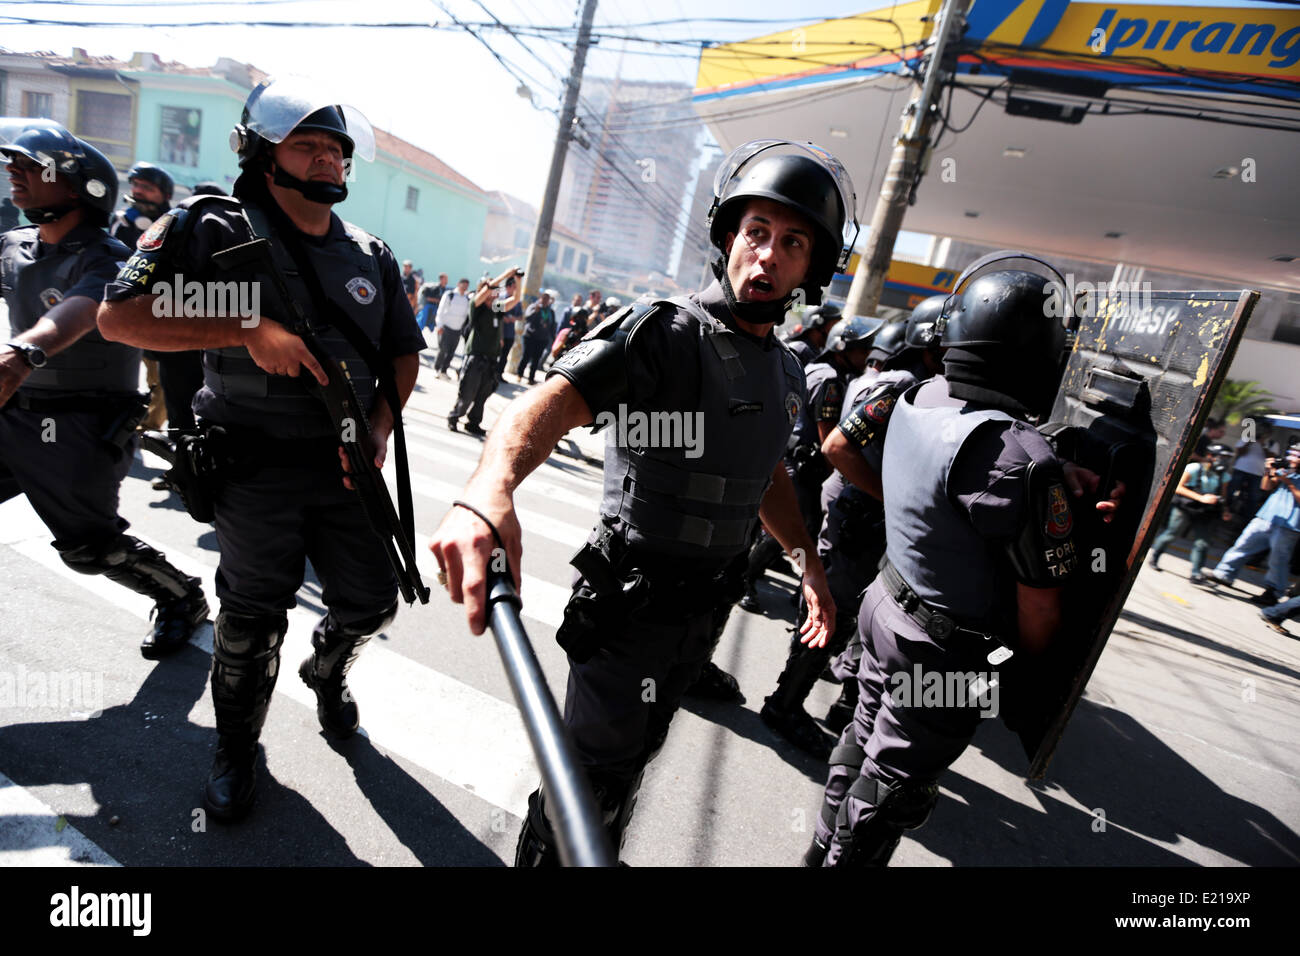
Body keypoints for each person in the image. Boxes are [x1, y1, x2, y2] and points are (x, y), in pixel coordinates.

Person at [430, 138, 857, 865]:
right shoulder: (663, 331)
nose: (768, 256)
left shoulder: (786, 370)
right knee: (586, 784)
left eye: (792, 243)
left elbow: (765, 480)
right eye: (756, 233)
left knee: (627, 767)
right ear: (729, 236)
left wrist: (806, 561)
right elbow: (546, 404)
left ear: (810, 267)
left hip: (703, 613)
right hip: (630, 610)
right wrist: (486, 489)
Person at [97, 79, 425, 821]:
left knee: (372, 604)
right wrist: (244, 328)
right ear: (261, 151)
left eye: (336, 149)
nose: (326, 160)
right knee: (249, 622)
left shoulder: (371, 254)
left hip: (343, 462)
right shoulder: (210, 226)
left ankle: (326, 672)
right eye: (307, 145)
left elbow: (403, 356)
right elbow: (121, 316)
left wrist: (376, 426)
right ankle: (236, 752)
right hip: (249, 461)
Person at [805, 264, 1124, 867]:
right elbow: (1040, 605)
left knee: (860, 746)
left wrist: (1049, 468)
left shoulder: (917, 396)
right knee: (895, 786)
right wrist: (1025, 673)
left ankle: (818, 853)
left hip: (885, 606)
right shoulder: (1021, 460)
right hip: (942, 651)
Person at [0, 120, 208, 660]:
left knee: (88, 549)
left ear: (77, 187)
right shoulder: (15, 246)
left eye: (30, 165)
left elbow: (80, 312)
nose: (13, 172)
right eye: (13, 164)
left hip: (80, 426)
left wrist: (23, 354)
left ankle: (181, 596)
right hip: (12, 409)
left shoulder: (111, 258)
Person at [739, 314, 882, 616]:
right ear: (843, 347)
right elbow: (828, 436)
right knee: (788, 530)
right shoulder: (829, 378)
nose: (867, 354)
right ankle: (746, 579)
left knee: (794, 529)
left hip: (793, 460)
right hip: (800, 466)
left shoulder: (821, 369)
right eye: (862, 347)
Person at [111, 162, 178, 438]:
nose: (138, 192)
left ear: (163, 194)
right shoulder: (121, 223)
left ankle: (146, 431)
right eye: (136, 185)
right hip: (120, 312)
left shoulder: (175, 225)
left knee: (160, 381)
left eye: (147, 188)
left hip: (158, 314)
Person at [1204, 443, 1300, 606]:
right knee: (1243, 545)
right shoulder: (1287, 470)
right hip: (1267, 516)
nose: (1293, 457)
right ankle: (1224, 574)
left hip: (1290, 524)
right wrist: (1269, 472)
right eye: (1292, 453)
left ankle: (1273, 592)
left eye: (1297, 455)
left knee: (1278, 559)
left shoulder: (1291, 476)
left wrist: (1289, 482)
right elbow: (1265, 486)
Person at [447, 267, 521, 436]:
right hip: (476, 357)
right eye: (494, 292)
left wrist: (517, 279)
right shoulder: (477, 306)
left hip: (491, 358)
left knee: (483, 394)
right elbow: (485, 291)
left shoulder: (497, 308)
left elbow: (516, 299)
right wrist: (506, 274)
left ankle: (473, 423)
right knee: (468, 392)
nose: (497, 295)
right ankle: (454, 417)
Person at [1148, 444, 1233, 583]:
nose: (1224, 461)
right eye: (1222, 457)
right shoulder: (1194, 468)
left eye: (1228, 458)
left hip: (1206, 512)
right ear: (1210, 455)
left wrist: (1225, 510)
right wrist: (1200, 498)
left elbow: (1223, 496)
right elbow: (1177, 487)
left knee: (1202, 543)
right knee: (1171, 534)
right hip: (1186, 507)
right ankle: (1155, 556)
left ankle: (1196, 572)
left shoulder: (1224, 476)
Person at [433, 277, 471, 378]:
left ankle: (444, 370)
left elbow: (467, 314)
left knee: (451, 351)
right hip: (446, 327)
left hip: (457, 329)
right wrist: (439, 325)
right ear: (459, 284)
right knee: (443, 349)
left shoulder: (467, 299)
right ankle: (437, 368)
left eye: (466, 286)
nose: (464, 287)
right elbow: (440, 311)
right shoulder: (450, 295)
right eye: (463, 285)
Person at [519, 289, 557, 384]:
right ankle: (519, 374)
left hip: (542, 339)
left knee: (536, 359)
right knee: (526, 357)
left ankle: (531, 378)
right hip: (530, 337)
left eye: (547, 299)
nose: (545, 301)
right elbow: (527, 318)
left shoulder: (550, 312)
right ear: (540, 298)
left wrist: (554, 339)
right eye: (543, 298)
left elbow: (552, 326)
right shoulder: (533, 307)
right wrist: (535, 312)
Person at [497, 274, 523, 377]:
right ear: (508, 287)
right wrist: (504, 318)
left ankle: (499, 374)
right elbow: (495, 313)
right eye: (514, 287)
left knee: (505, 356)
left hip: (510, 333)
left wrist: (513, 319)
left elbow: (520, 316)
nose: (515, 289)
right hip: (500, 331)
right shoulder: (500, 298)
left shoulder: (517, 302)